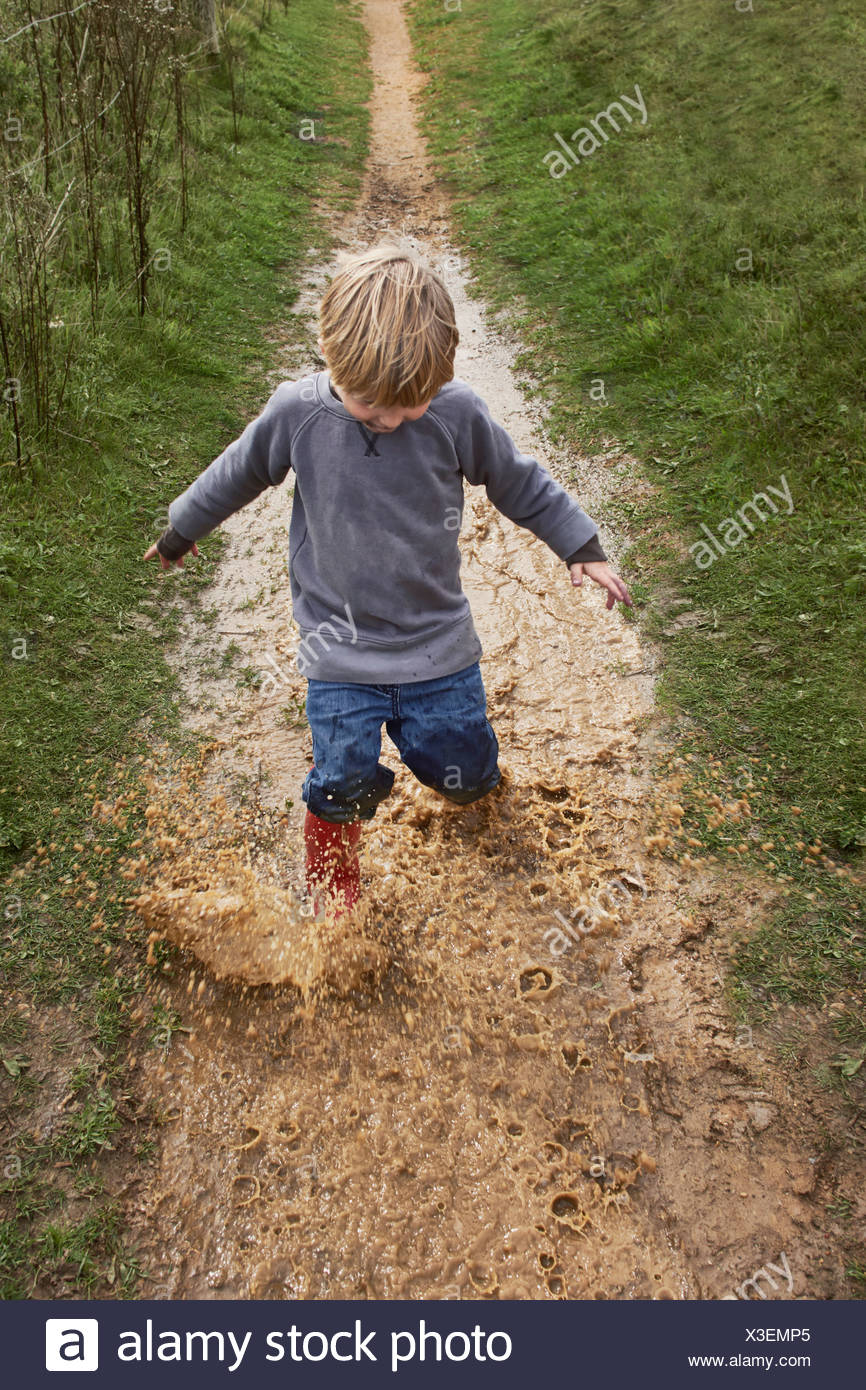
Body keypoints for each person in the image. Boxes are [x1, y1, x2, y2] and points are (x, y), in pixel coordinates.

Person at [143, 240, 633, 916]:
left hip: (439, 648)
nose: (391, 419)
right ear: (332, 360)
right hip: (337, 656)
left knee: (460, 770)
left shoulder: (456, 414)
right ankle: (335, 910)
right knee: (339, 783)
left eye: (410, 404)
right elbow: (240, 469)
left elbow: (518, 480)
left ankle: (479, 795)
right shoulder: (299, 413)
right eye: (370, 403)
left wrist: (580, 545)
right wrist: (182, 529)